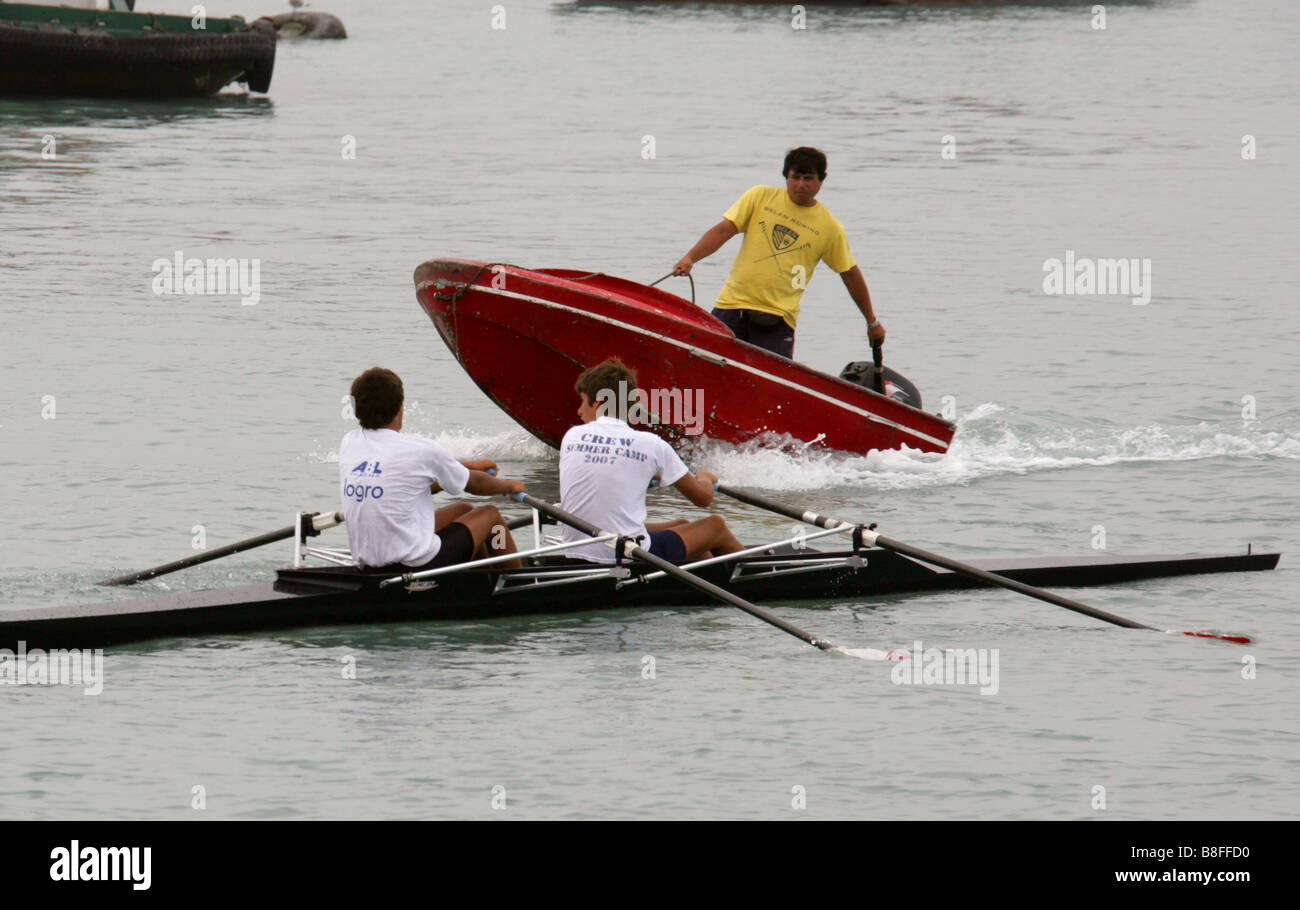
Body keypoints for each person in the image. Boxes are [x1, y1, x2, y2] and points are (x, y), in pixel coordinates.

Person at [672, 146, 885, 359]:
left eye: (808, 178)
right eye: (795, 177)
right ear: (786, 177)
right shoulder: (760, 197)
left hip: (778, 320)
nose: (801, 185)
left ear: (821, 180)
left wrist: (872, 322)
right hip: (731, 307)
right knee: (706, 365)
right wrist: (690, 258)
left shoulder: (829, 227)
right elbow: (724, 230)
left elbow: (849, 274)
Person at [559, 358, 744, 565]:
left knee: (681, 524)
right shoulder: (651, 444)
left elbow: (609, 465)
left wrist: (647, 473)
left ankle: (701, 577)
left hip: (574, 548)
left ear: (599, 403)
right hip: (625, 554)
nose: (579, 411)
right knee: (715, 526)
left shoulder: (572, 436)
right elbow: (703, 499)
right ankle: (754, 580)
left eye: (582, 402)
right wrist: (705, 477)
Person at [340, 367, 525, 570]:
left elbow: (406, 479)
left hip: (369, 565)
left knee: (463, 510)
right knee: (491, 516)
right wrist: (509, 486)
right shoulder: (419, 449)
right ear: (400, 408)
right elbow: (476, 484)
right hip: (416, 566)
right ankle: (514, 583)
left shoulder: (350, 443)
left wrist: (468, 466)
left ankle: (478, 581)